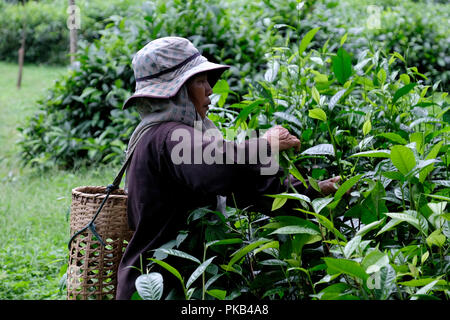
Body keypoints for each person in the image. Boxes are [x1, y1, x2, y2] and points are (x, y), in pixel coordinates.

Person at [116, 37, 340, 300]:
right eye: (200, 81)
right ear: (176, 91)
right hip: (157, 288)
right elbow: (220, 168)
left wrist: (313, 192)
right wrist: (265, 144)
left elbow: (246, 186)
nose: (210, 89)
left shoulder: (179, 135)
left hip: (184, 283)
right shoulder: (167, 136)